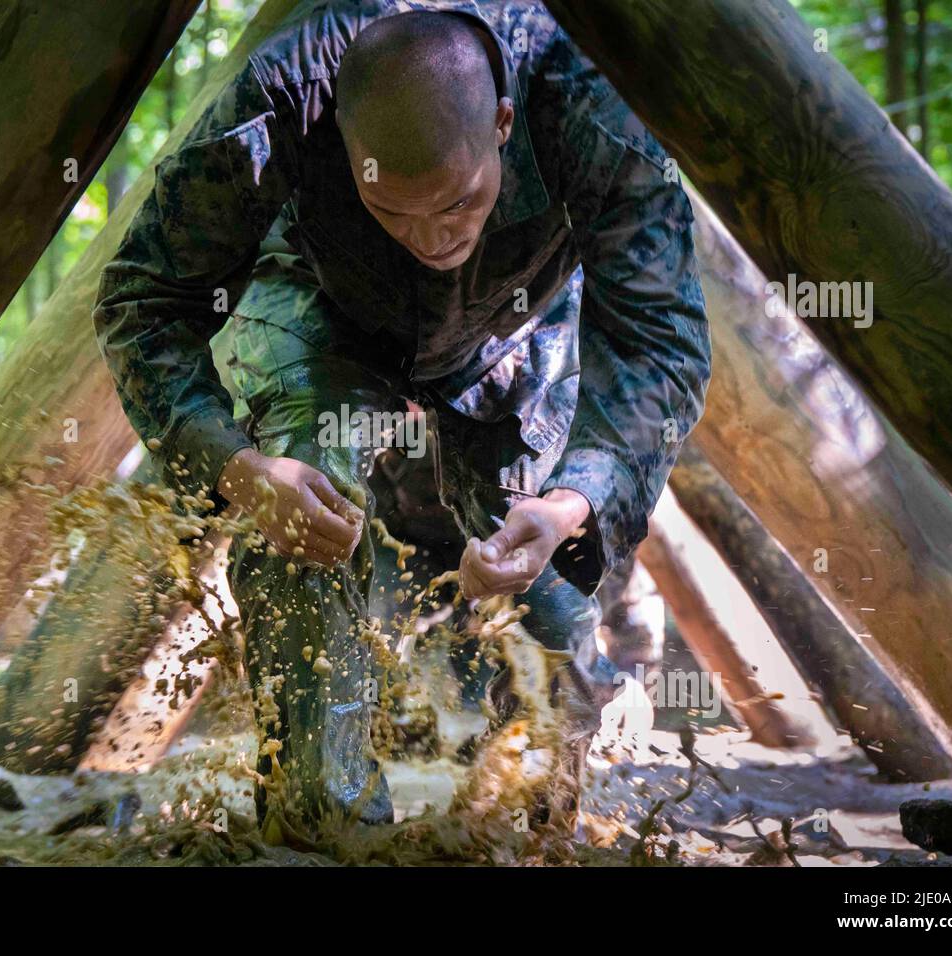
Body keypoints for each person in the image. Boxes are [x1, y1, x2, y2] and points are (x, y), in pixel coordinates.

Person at [93, 1, 711, 829]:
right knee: (303, 528)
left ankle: (534, 820)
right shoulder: (279, 101)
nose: (431, 238)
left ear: (502, 123)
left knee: (550, 586)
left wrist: (571, 503)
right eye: (394, 209)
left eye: (458, 203)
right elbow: (145, 295)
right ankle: (324, 831)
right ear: (339, 139)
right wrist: (237, 468)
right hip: (321, 304)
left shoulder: (588, 107)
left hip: (514, 323)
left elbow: (660, 342)